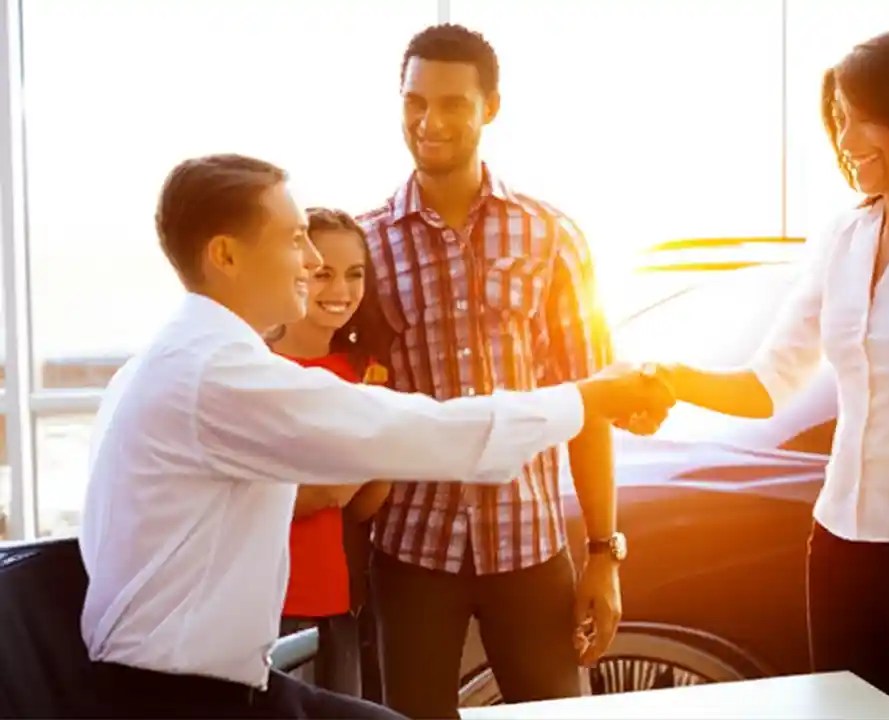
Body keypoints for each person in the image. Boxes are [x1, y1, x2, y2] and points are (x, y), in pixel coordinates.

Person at [77, 153, 673, 719]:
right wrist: (591, 397)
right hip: (178, 701)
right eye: (293, 238)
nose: (311, 260)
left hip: (183, 684)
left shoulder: (177, 359)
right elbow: (424, 432)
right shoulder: (216, 375)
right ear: (226, 256)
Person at [626, 29, 889, 716]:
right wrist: (667, 378)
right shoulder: (842, 238)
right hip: (839, 553)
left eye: (863, 116)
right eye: (837, 118)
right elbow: (768, 381)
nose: (845, 136)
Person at [357, 24, 622, 718]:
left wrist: (603, 551)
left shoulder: (552, 235)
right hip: (410, 551)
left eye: (452, 103)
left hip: (530, 546)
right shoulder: (365, 244)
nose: (429, 121)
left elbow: (587, 400)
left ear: (490, 108)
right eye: (415, 101)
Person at [269, 207, 395, 698]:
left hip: (336, 602)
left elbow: (359, 505)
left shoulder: (358, 374)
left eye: (354, 274)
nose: (341, 290)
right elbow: (316, 494)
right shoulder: (258, 367)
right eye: (323, 273)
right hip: (268, 601)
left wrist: (383, 450)